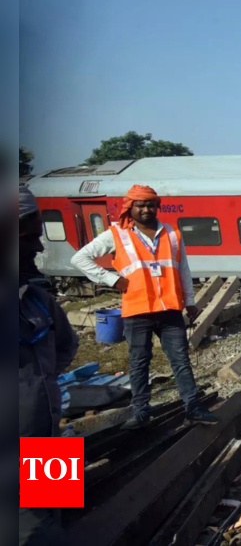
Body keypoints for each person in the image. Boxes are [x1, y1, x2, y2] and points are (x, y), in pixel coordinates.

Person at [71, 185, 217, 430]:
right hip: (137, 311)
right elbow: (79, 259)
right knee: (140, 362)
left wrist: (190, 302)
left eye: (150, 204)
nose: (146, 209)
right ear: (130, 207)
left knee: (180, 360)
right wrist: (111, 280)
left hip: (169, 309)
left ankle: (193, 408)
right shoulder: (116, 234)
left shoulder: (171, 233)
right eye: (140, 205)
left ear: (157, 206)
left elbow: (183, 270)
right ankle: (141, 412)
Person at [19, 184, 77, 546]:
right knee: (33, 531)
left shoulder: (36, 297)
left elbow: (66, 347)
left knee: (55, 519)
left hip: (47, 435)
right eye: (30, 237)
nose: (40, 248)